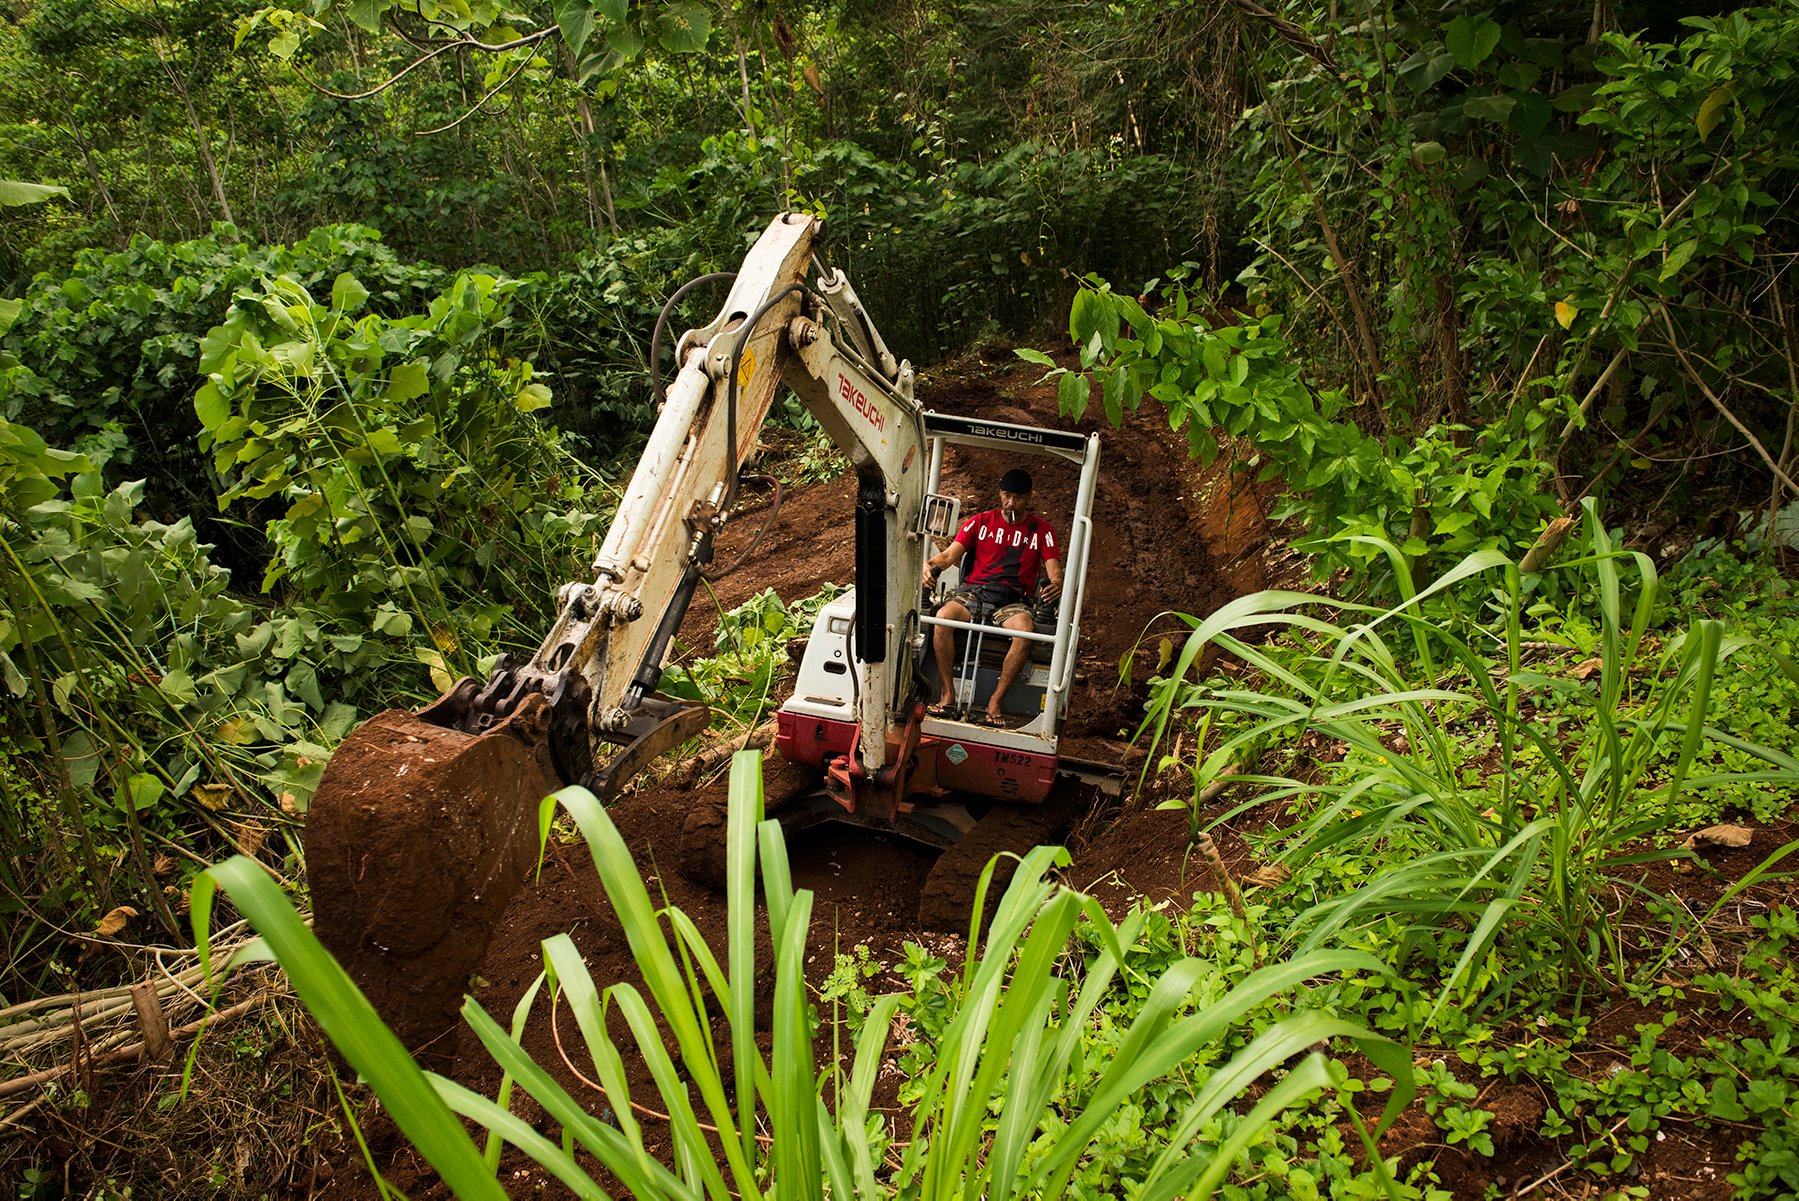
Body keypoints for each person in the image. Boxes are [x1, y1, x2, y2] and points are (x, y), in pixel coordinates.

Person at [921, 467, 1063, 726]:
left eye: (1018, 498)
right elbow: (950, 556)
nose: (1011, 503)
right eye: (1007, 496)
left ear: (1029, 498)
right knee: (942, 618)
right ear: (1000, 494)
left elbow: (1054, 571)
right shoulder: (980, 522)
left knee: (1025, 632)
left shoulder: (1042, 530)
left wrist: (1055, 584)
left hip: (1012, 599)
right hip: (974, 592)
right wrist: (928, 566)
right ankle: (948, 694)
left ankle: (995, 702)